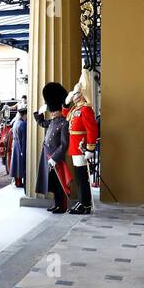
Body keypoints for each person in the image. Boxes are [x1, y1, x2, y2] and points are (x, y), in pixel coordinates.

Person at [66, 69, 99, 215]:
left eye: (76, 94)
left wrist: (91, 148)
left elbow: (92, 130)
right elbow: (66, 115)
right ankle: (81, 201)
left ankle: (85, 204)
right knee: (79, 176)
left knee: (82, 177)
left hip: (81, 146)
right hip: (74, 145)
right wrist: (65, 104)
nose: (74, 96)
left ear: (82, 94)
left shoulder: (86, 109)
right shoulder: (75, 109)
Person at [35, 81, 71, 214]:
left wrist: (55, 158)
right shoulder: (53, 121)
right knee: (53, 183)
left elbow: (64, 144)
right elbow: (41, 122)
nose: (53, 112)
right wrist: (39, 112)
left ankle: (62, 206)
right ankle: (57, 204)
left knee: (59, 183)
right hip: (47, 155)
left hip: (55, 157)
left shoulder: (64, 122)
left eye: (54, 110)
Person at [10, 107, 27, 188]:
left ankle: (17, 182)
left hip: (15, 144)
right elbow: (23, 139)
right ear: (25, 114)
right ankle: (19, 182)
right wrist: (22, 151)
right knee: (19, 164)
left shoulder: (16, 122)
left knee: (16, 164)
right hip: (19, 145)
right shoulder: (22, 123)